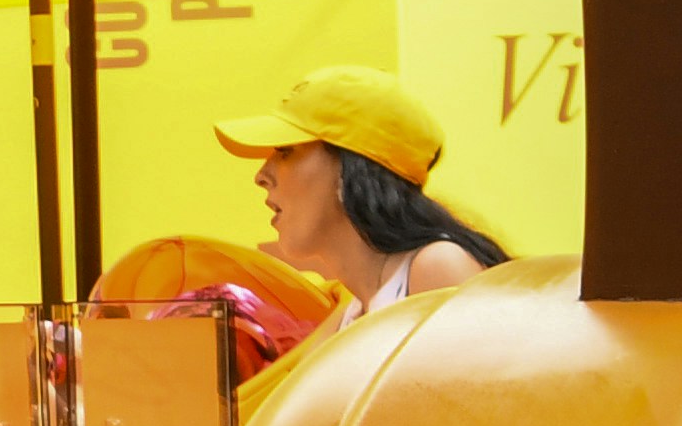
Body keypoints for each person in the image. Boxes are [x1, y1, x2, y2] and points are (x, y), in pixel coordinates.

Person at [216, 66, 505, 315]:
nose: (261, 176)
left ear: (352, 167)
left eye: (285, 150)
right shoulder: (351, 312)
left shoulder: (439, 268)